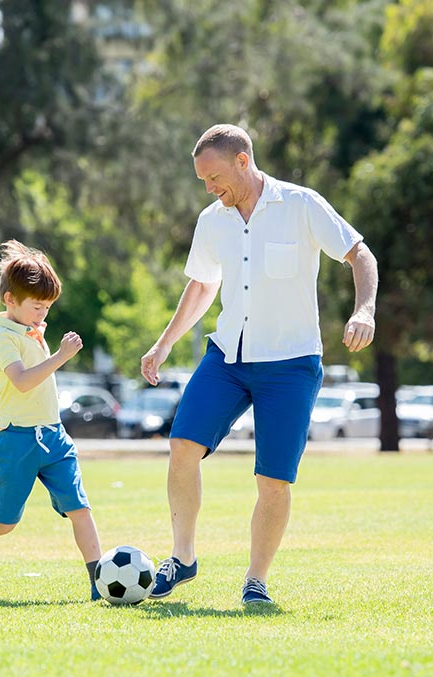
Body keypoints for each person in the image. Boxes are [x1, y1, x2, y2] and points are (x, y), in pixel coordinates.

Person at [140, 124, 378, 605]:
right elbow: (203, 286)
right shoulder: (213, 220)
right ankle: (182, 558)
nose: (209, 189)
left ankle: (255, 582)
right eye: (202, 181)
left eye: (213, 178)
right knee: (183, 444)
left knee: (273, 479)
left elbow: (359, 254)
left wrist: (364, 309)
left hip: (291, 365)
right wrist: (163, 344)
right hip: (228, 356)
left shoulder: (301, 204)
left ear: (243, 161)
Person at [0, 240, 103, 600]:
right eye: (37, 306)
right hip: (17, 441)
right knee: (4, 523)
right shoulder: (1, 338)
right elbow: (23, 382)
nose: (43, 315)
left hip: (54, 438)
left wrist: (47, 342)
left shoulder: (30, 328)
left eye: (47, 308)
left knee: (80, 509)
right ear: (10, 300)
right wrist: (60, 355)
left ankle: (98, 583)